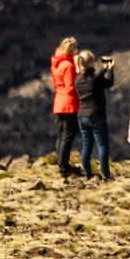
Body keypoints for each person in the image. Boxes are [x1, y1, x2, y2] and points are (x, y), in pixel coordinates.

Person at [77, 49, 115, 180]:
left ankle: (87, 173)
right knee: (102, 146)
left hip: (82, 115)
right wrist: (110, 70)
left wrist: (103, 70)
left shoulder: (78, 79)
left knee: (86, 145)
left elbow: (94, 79)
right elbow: (109, 83)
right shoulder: (95, 79)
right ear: (92, 62)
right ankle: (105, 174)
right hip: (96, 116)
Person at [49, 37, 81, 178]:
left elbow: (56, 84)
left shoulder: (56, 63)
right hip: (69, 104)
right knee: (68, 135)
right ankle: (64, 167)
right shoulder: (68, 65)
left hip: (59, 102)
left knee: (62, 134)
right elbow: (70, 87)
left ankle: (62, 163)